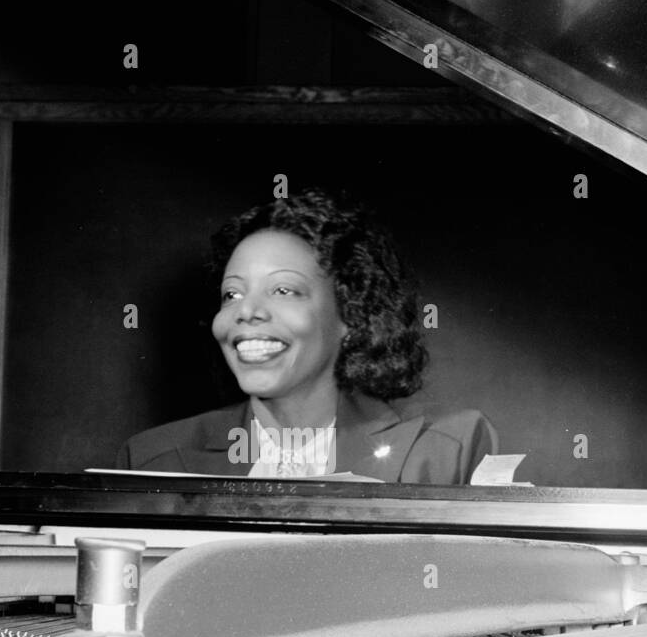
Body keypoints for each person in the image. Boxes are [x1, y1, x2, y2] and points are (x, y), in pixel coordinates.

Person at [117, 188, 498, 483]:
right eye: (232, 294)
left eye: (283, 290)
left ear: (350, 314)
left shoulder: (448, 449)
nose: (246, 311)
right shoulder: (153, 459)